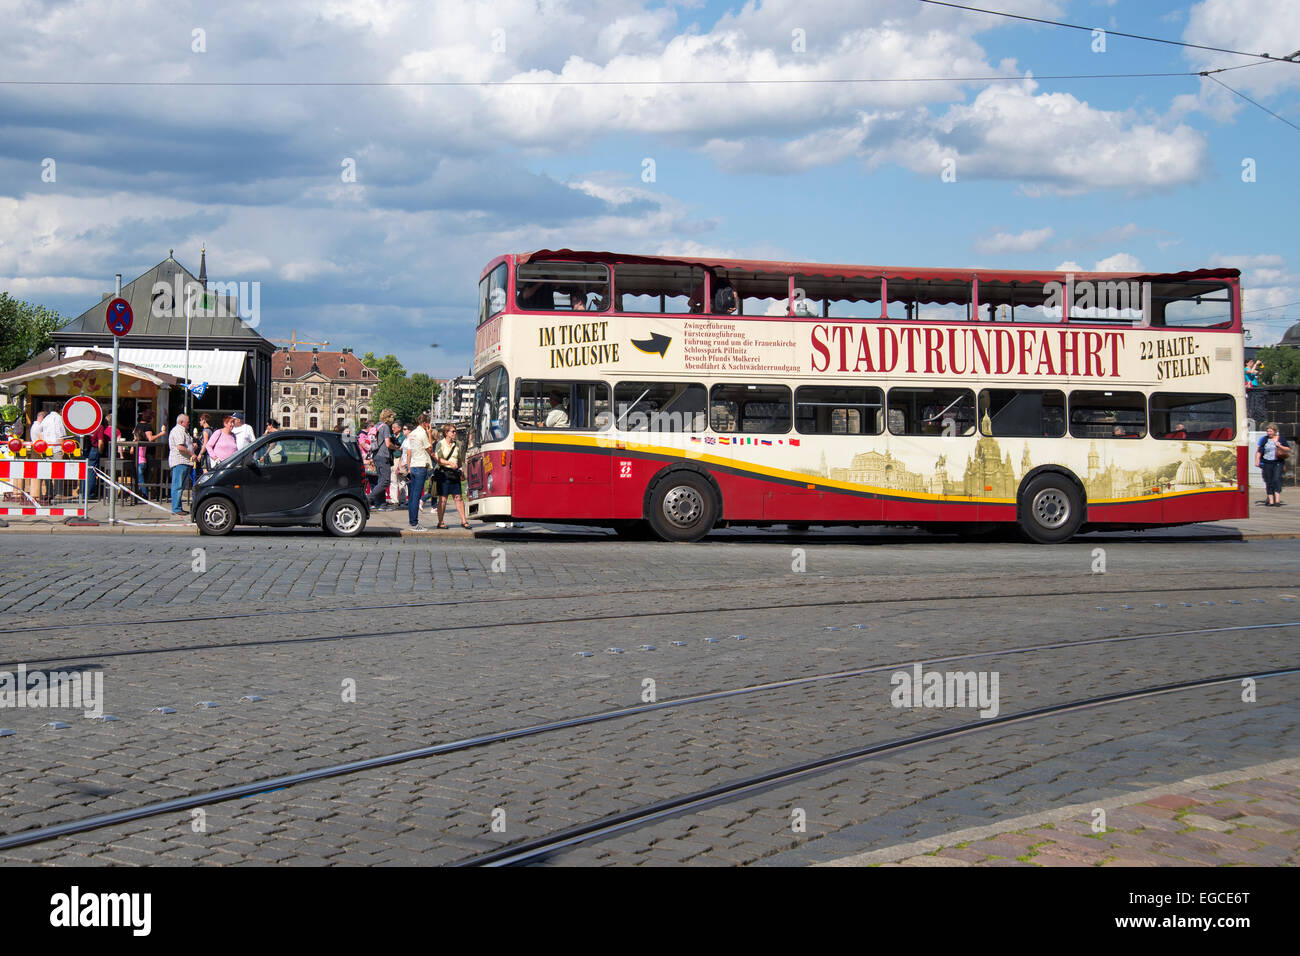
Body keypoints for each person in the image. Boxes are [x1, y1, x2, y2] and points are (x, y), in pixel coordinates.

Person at [402, 413, 436, 531]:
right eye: (429, 422)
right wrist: (430, 434)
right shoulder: (422, 433)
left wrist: (409, 466)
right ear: (425, 423)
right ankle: (414, 523)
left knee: (412, 496)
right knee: (417, 495)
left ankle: (412, 521)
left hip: (414, 466)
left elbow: (409, 451)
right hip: (421, 466)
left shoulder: (412, 434)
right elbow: (430, 448)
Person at [434, 423, 469, 529]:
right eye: (452, 431)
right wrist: (449, 463)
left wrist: (461, 469)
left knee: (458, 497)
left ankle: (464, 520)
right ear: (446, 433)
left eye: (455, 431)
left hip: (454, 474)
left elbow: (458, 459)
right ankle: (440, 522)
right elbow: (437, 459)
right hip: (443, 473)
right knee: (443, 498)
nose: (454, 433)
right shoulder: (440, 444)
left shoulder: (456, 445)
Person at [367, 409, 397, 511]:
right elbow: (388, 444)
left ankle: (381, 504)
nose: (393, 419)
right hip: (383, 456)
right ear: (388, 417)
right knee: (385, 481)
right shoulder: (385, 427)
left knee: (380, 480)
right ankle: (368, 499)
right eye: (392, 417)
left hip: (376, 455)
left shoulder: (376, 426)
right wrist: (397, 447)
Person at [1255, 424, 1290, 508]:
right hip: (1267, 462)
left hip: (1278, 462)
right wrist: (1257, 460)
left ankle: (1277, 500)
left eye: (1270, 431)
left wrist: (1279, 445)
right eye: (1267, 431)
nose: (1269, 432)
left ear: (1275, 431)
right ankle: (1271, 501)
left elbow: (1288, 449)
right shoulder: (1264, 439)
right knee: (1268, 481)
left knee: (1276, 479)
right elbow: (1259, 450)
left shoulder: (1281, 439)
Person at [168, 414, 194, 515]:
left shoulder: (183, 431)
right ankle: (176, 508)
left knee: (180, 486)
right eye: (187, 422)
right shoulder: (179, 430)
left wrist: (192, 447)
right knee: (177, 486)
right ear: (181, 422)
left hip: (184, 461)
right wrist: (192, 453)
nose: (189, 423)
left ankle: (178, 507)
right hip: (180, 461)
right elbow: (180, 447)